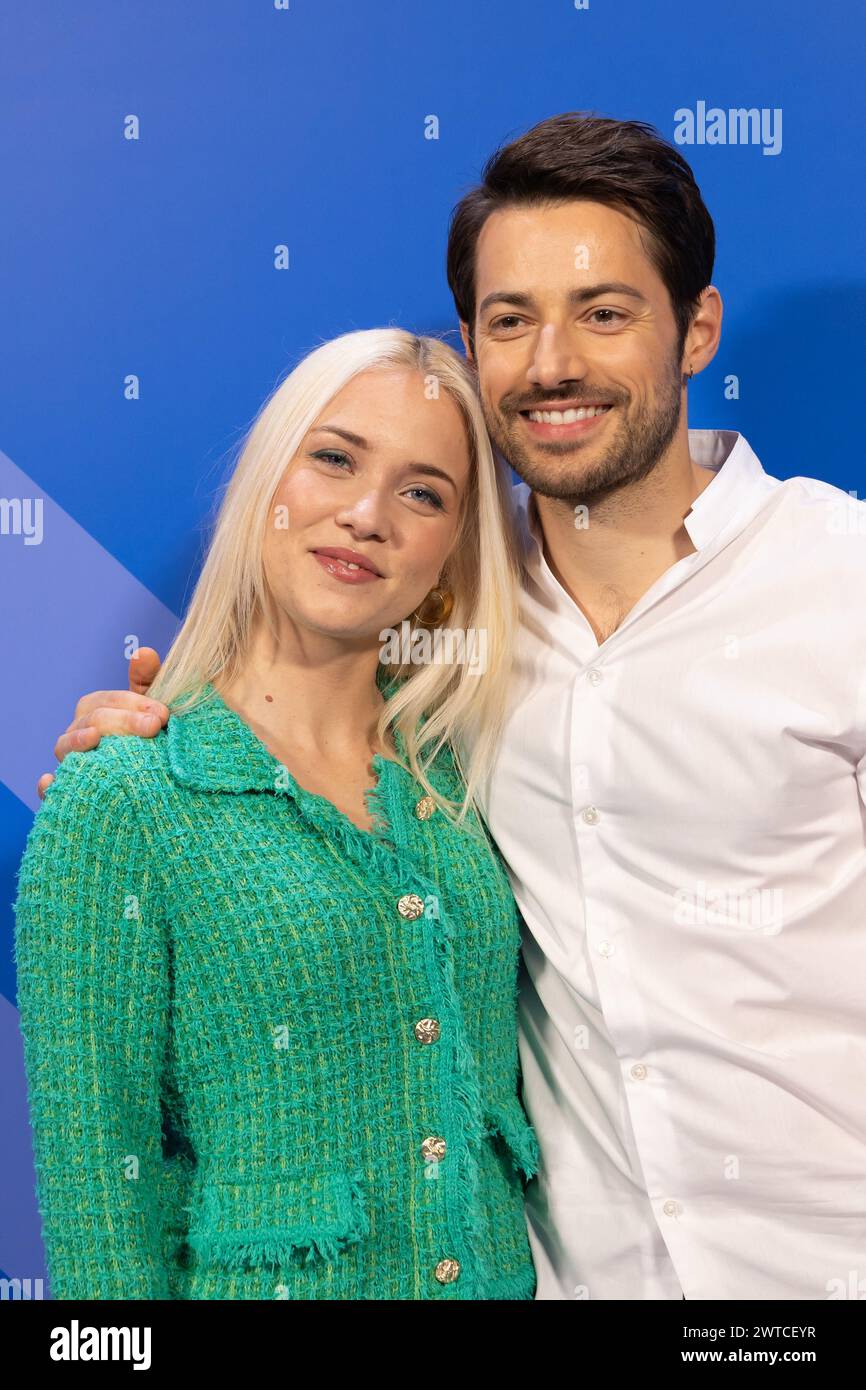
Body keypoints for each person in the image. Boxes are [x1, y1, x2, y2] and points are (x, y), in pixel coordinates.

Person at [41, 112, 866, 1301]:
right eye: (508, 319)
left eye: (602, 311)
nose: (550, 364)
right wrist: (141, 737)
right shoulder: (446, 632)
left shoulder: (839, 580)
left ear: (696, 329)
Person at [14, 327, 541, 1301]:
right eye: (334, 458)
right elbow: (100, 1205)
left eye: (422, 492)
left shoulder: (463, 782)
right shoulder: (123, 794)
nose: (365, 513)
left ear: (450, 557)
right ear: (267, 483)